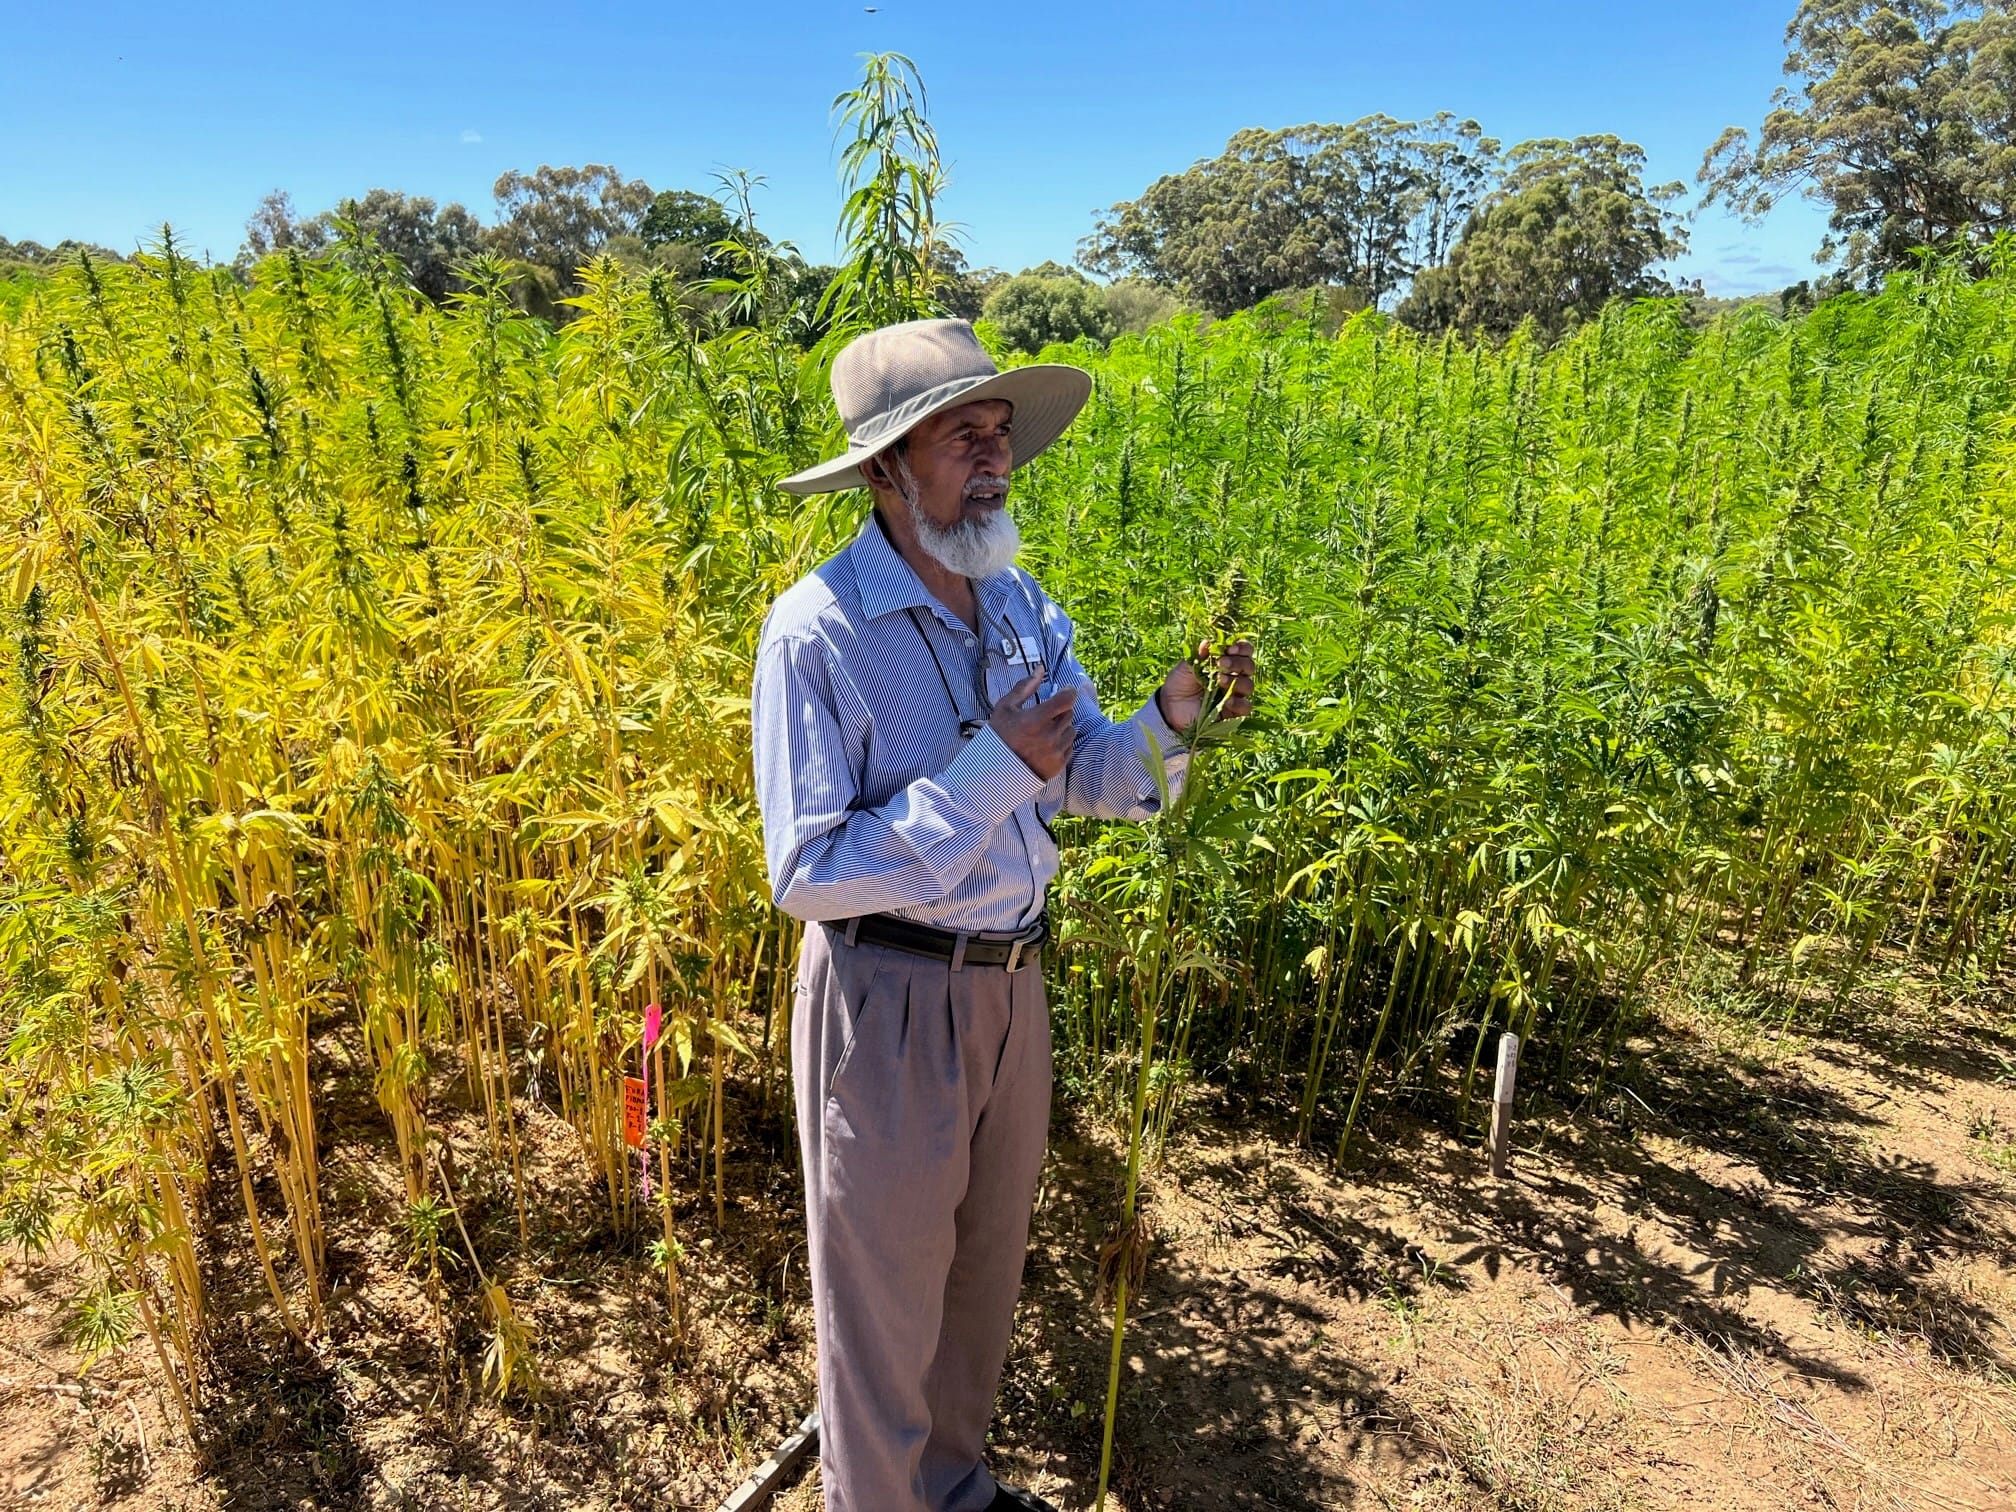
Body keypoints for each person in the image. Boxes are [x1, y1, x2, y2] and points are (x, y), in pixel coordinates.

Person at [752, 318, 1255, 1512]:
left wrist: (1174, 721)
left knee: (982, 1273)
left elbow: (1083, 774)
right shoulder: (817, 633)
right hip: (887, 998)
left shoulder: (1019, 602)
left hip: (1011, 988)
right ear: (887, 468)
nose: (995, 458)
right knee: (884, 1294)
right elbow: (808, 871)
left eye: (999, 432)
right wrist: (990, 769)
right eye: (960, 436)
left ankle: (952, 1486)